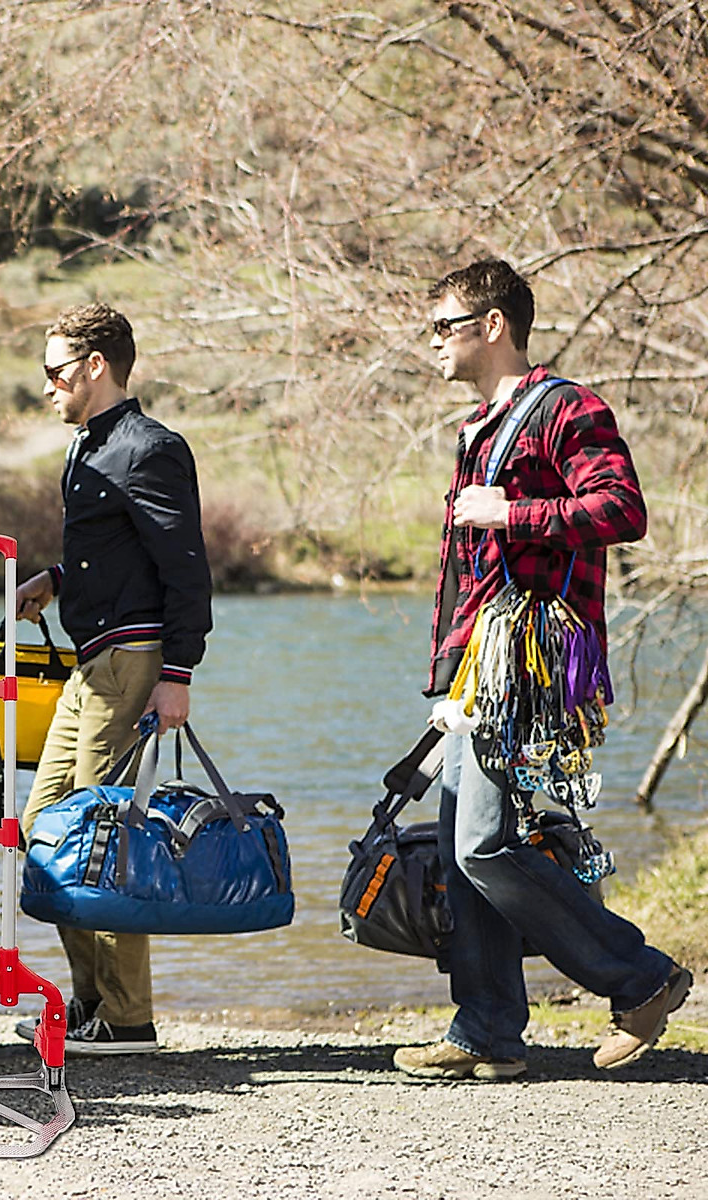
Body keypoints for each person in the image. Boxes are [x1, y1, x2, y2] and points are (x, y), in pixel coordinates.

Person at [394, 259, 692, 1080]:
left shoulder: (566, 407)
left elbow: (622, 509)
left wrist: (511, 511)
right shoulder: (478, 427)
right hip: (479, 670)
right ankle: (487, 1029)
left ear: (493, 325)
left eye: (444, 326)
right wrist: (450, 681)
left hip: (532, 661)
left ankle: (641, 977)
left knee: (486, 845)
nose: (433, 343)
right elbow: (470, 577)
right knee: (460, 846)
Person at [14, 302, 212, 1055]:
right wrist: (58, 579)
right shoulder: (88, 448)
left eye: (55, 371)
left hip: (133, 661)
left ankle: (127, 1020)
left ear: (96, 366)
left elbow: (185, 569)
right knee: (44, 826)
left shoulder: (150, 449)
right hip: (92, 663)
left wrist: (177, 673)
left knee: (105, 839)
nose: (47, 386)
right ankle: (92, 1005)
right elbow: (120, 550)